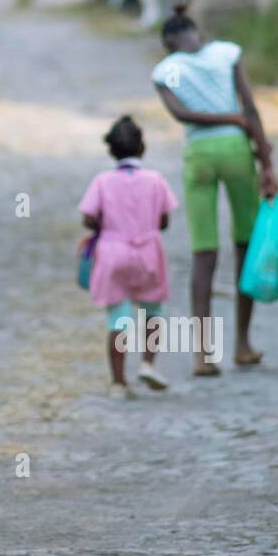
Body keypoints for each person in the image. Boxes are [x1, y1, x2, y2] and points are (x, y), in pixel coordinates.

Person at [151, 4, 278, 375]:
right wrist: (266, 161)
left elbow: (181, 115)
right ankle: (242, 344)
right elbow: (250, 108)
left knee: (204, 253)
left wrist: (227, 118)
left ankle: (203, 356)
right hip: (238, 151)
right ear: (198, 35)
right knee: (245, 247)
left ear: (167, 44)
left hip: (200, 155)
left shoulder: (166, 70)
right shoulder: (226, 53)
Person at [79, 116, 178, 397]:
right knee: (153, 313)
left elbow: (88, 217)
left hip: (113, 253)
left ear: (111, 151)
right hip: (148, 252)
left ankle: (119, 382)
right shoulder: (155, 180)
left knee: (118, 321)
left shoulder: (102, 181)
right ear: (142, 148)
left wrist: (104, 228)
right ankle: (147, 363)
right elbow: (164, 220)